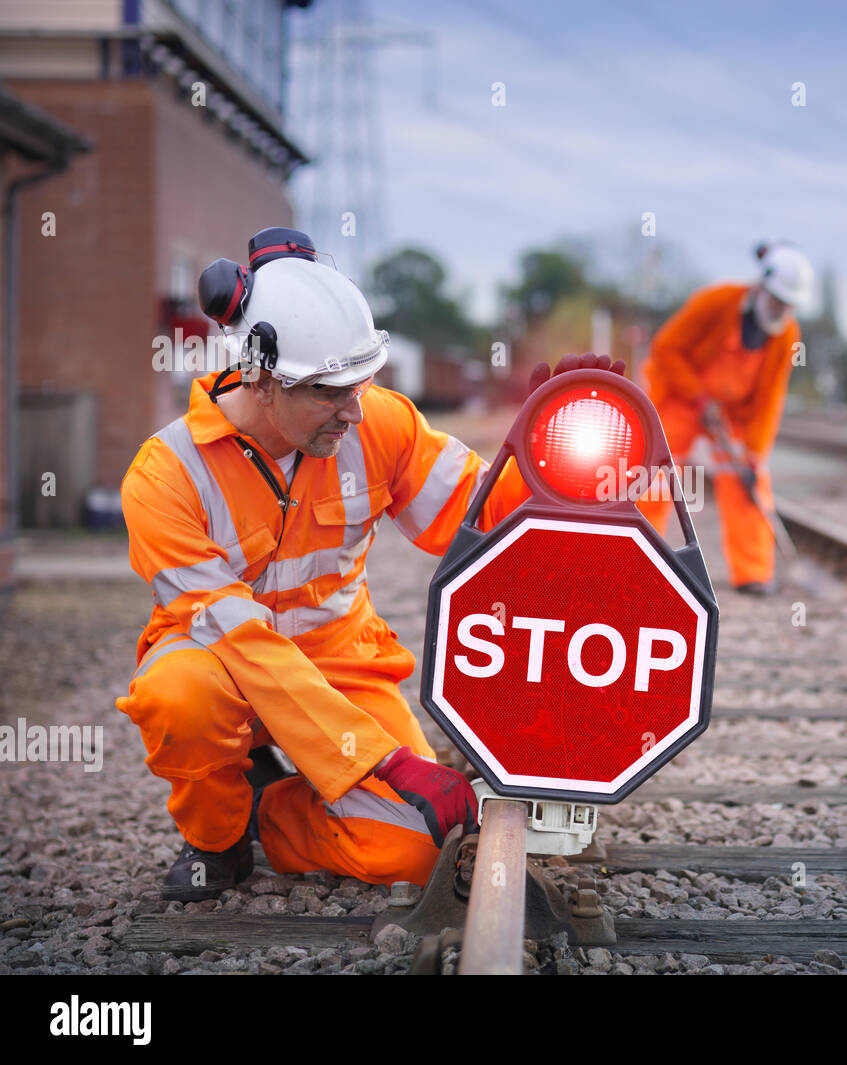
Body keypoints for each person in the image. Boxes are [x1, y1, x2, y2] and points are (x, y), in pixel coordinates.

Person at [116, 227, 623, 900]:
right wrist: (385, 759)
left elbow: (483, 523)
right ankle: (218, 837)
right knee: (180, 695)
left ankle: (267, 810)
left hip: (340, 661)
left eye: (362, 384)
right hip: (225, 668)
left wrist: (545, 457)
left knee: (415, 848)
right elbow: (236, 637)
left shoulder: (373, 423)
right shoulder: (166, 475)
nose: (353, 410)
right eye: (331, 392)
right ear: (263, 375)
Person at [637, 243, 813, 593]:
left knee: (747, 479)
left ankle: (753, 574)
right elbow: (666, 348)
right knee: (655, 471)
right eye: (777, 300)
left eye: (788, 305)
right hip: (682, 397)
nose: (781, 309)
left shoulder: (786, 336)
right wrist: (698, 396)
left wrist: (754, 452)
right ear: (761, 287)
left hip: (731, 412)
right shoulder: (715, 302)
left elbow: (769, 399)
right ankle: (634, 556)